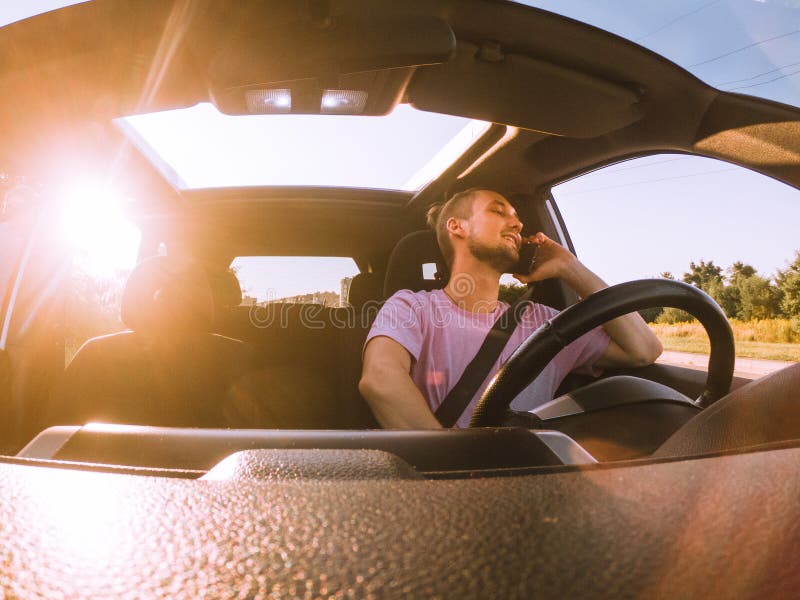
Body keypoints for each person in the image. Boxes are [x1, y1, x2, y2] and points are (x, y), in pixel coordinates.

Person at [360, 188, 664, 429]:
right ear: (457, 226)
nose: (517, 224)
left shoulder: (544, 322)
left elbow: (643, 349)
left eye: (517, 217)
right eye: (497, 211)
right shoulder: (411, 307)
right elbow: (380, 378)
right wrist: (450, 464)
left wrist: (569, 267)